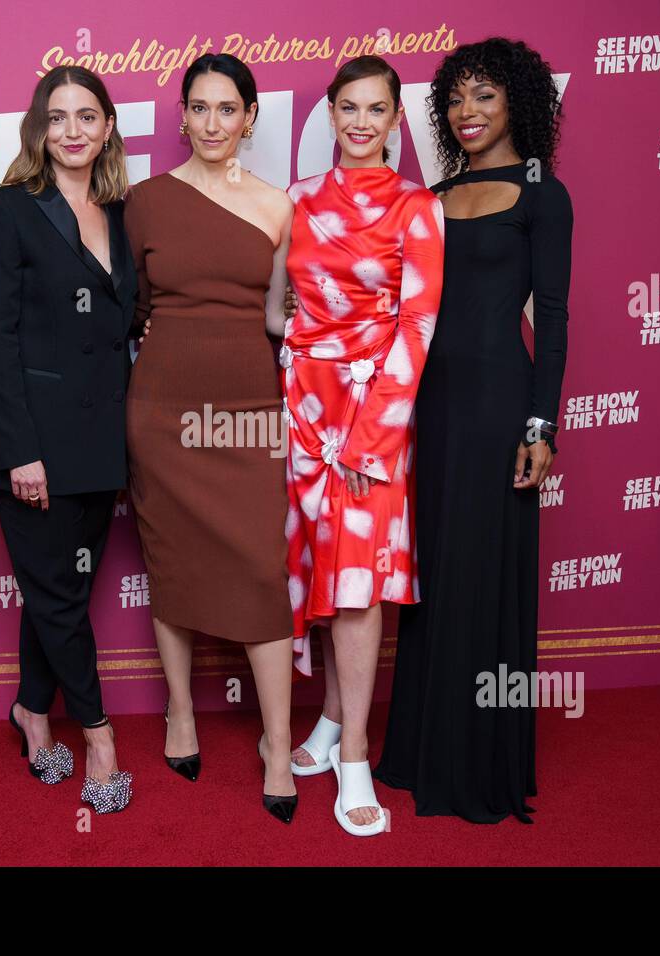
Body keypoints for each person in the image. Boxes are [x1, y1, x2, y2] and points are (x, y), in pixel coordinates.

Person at [373, 37, 573, 823]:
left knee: (485, 574)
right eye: (456, 97)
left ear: (518, 102)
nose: (467, 111)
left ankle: (480, 764)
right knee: (435, 576)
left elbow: (551, 320)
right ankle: (423, 747)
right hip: (431, 406)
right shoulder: (434, 196)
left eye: (484, 95)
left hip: (500, 408)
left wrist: (542, 423)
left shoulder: (541, 194)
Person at [125, 53, 299, 823]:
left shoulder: (278, 207)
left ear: (251, 116)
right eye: (198, 108)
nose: (212, 124)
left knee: (262, 567)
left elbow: (276, 316)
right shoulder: (145, 201)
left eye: (227, 109)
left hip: (247, 406)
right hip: (162, 407)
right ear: (183, 116)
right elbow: (127, 306)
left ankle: (277, 739)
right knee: (174, 562)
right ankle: (181, 714)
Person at [281, 56, 445, 836]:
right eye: (348, 107)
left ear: (395, 119)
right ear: (330, 113)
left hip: (375, 416)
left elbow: (418, 325)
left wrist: (373, 431)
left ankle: (355, 756)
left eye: (376, 109)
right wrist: (301, 364)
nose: (360, 123)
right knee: (321, 568)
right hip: (305, 409)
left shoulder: (418, 205)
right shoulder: (298, 199)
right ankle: (325, 723)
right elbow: (279, 312)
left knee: (358, 581)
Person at [0, 65, 137, 814]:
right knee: (60, 599)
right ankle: (97, 735)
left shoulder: (120, 210)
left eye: (88, 116)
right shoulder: (7, 210)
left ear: (107, 127)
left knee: (59, 592)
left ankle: (31, 711)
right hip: (33, 443)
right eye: (58, 116)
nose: (73, 130)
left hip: (102, 442)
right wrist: (19, 453)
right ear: (40, 127)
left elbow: (121, 323)